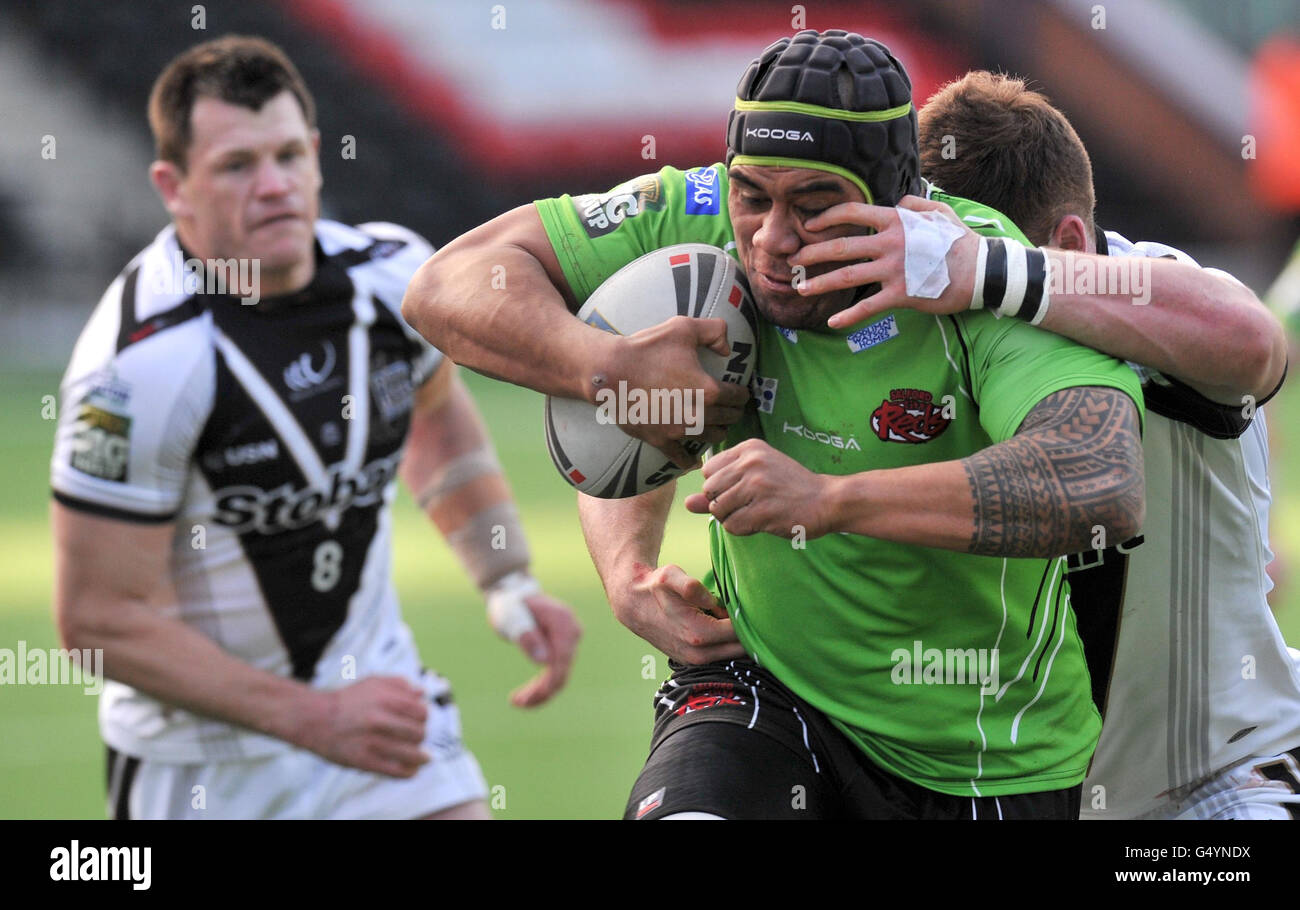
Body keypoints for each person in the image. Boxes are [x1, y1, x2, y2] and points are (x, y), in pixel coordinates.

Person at [402, 30, 1146, 819]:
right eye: (751, 194)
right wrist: (609, 373)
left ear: (897, 197)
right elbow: (444, 286)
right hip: (761, 691)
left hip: (989, 752)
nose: (771, 238)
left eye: (815, 207)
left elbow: (1099, 480)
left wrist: (830, 500)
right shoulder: (697, 214)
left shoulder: (979, 274)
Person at [50, 35, 581, 820]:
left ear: (318, 157)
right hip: (202, 768)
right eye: (237, 166)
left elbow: (435, 421)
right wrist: (317, 719)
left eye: (289, 155)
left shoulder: (395, 280)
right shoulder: (135, 369)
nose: (274, 186)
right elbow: (96, 621)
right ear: (173, 186)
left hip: (380, 721)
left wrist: (505, 580)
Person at [799, 69, 1298, 819]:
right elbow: (666, 349)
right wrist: (633, 573)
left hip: (1213, 781)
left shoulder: (1144, 286)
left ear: (1064, 243)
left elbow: (1251, 339)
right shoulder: (901, 305)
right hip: (1011, 794)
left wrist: (981, 271)